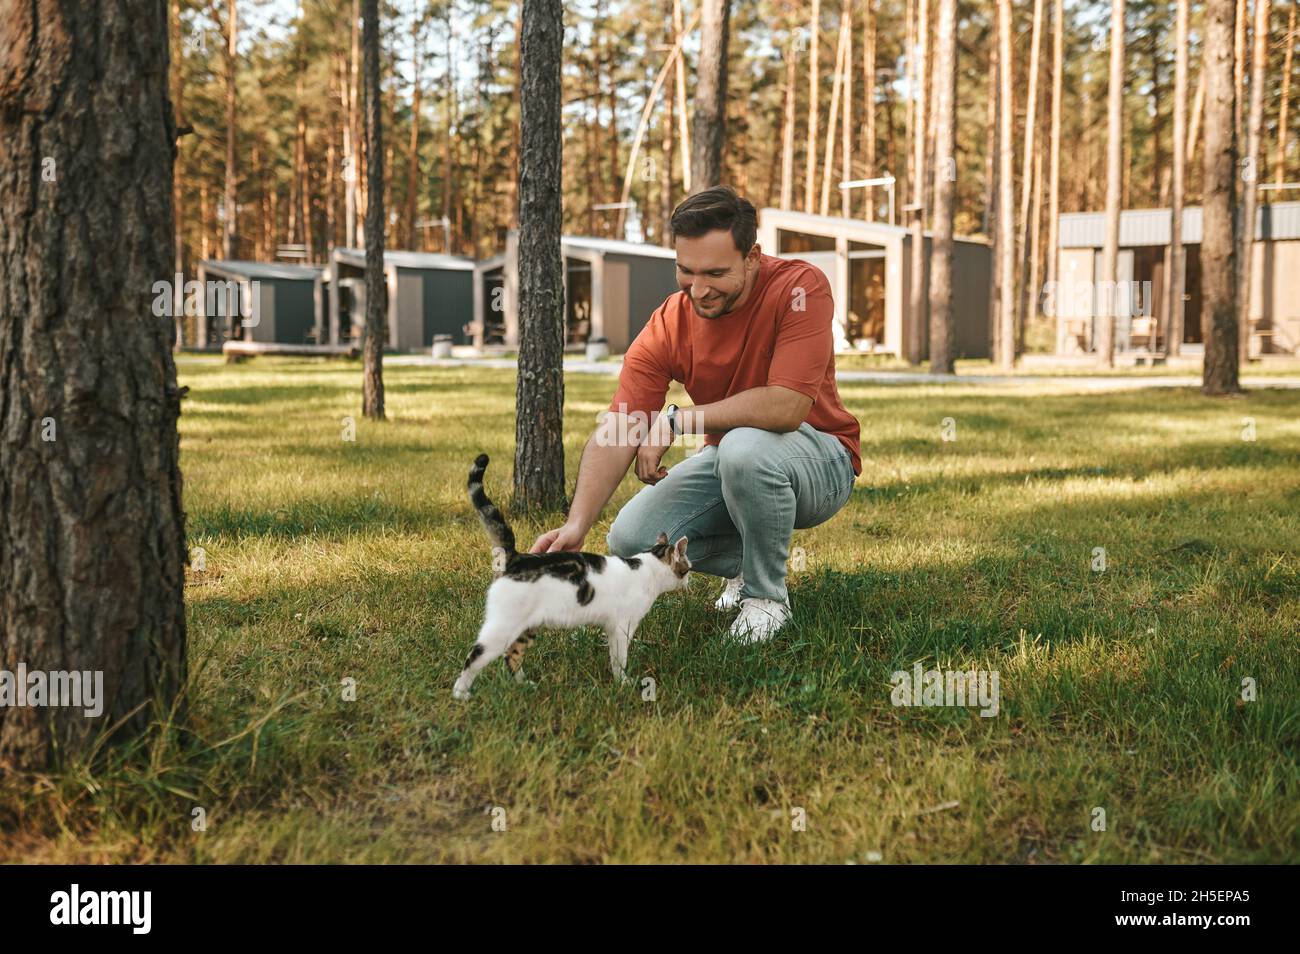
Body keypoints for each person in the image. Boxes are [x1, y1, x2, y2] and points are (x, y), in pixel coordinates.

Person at [530, 185, 861, 642]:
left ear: (752, 257)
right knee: (631, 539)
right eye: (686, 271)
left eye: (715, 273)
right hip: (732, 460)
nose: (699, 290)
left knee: (744, 447)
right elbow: (621, 426)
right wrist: (577, 524)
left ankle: (766, 599)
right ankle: (747, 564)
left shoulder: (800, 288)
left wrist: (674, 420)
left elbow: (787, 407)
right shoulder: (669, 322)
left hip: (822, 458)